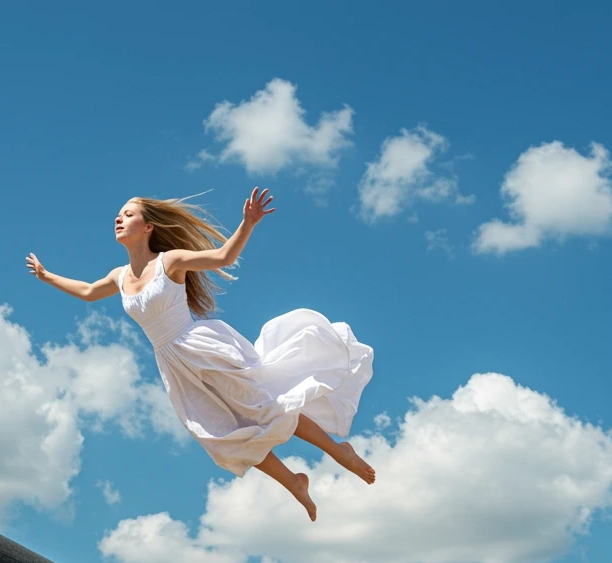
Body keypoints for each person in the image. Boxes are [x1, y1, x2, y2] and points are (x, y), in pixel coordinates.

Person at [25, 189, 375, 520]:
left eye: (128, 214)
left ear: (148, 227)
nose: (118, 219)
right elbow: (87, 291)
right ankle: (294, 482)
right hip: (174, 366)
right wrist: (46, 276)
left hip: (200, 348)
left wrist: (248, 223)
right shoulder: (119, 277)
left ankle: (338, 451)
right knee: (223, 434)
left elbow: (224, 256)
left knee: (265, 405)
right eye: (117, 215)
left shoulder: (170, 262)